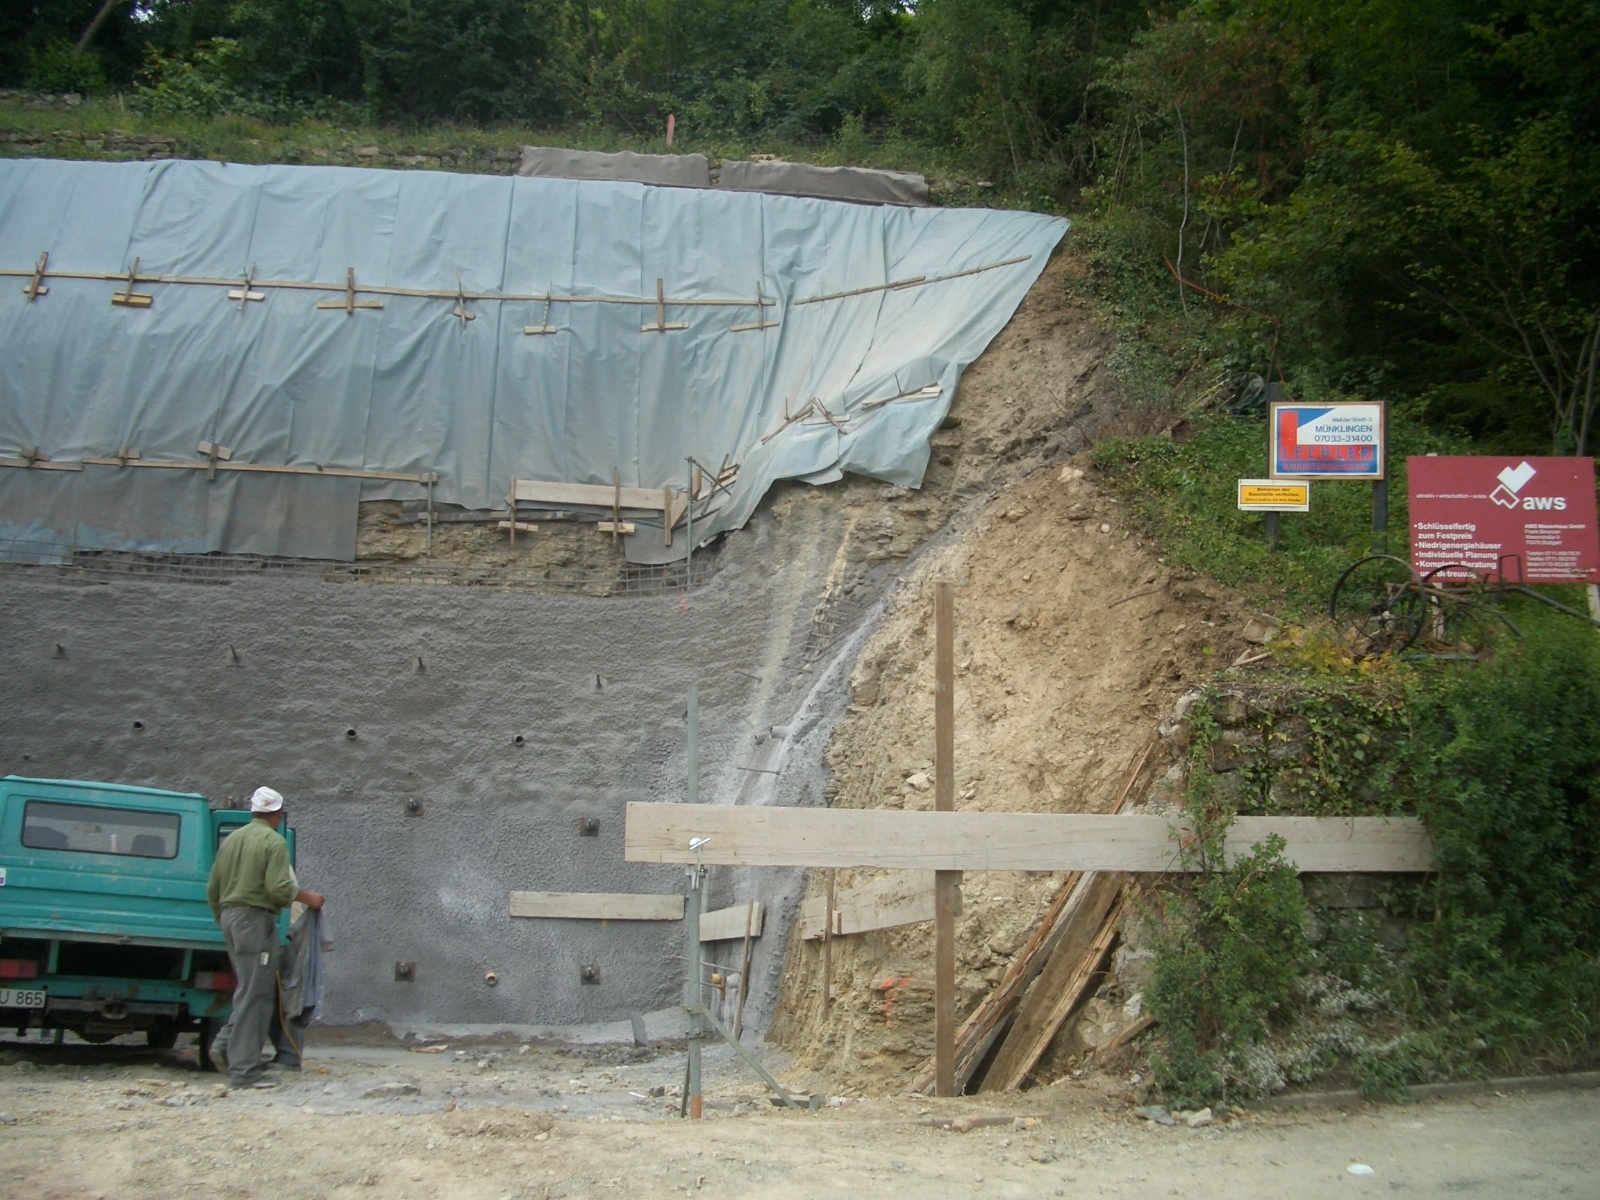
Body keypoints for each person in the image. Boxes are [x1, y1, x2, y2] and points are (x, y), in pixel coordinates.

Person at [205, 786, 324, 1089]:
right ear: (278, 815)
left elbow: (213, 889)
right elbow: (278, 889)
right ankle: (244, 1071)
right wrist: (308, 898)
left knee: (250, 988)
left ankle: (224, 1047)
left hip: (231, 918)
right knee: (257, 994)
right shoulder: (274, 842)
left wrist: (226, 919)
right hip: (255, 919)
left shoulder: (232, 840)